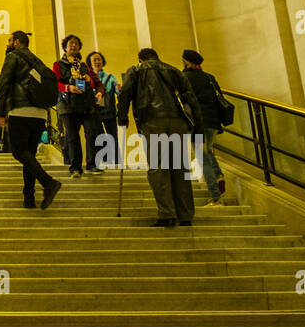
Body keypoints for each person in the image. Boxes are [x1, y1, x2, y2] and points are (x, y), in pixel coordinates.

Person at [117, 47, 203, 228]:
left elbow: (125, 94)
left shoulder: (136, 70)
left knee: (158, 168)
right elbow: (191, 98)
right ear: (157, 57)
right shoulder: (173, 70)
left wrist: (122, 117)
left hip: (152, 121)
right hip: (178, 122)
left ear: (140, 59)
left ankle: (167, 213)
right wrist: (198, 126)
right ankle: (185, 214)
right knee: (180, 168)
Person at [0, 31, 62, 210]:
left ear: (16, 42)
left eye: (9, 40)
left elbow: (4, 84)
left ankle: (48, 183)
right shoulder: (37, 60)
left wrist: (1, 112)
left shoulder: (13, 57)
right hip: (40, 113)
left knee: (19, 152)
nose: (7, 43)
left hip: (20, 110)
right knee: (29, 155)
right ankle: (29, 199)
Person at [181, 49, 227, 206]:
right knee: (207, 151)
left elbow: (183, 100)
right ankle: (219, 174)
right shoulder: (209, 77)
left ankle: (216, 197)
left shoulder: (185, 78)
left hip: (198, 123)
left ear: (186, 61)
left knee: (203, 158)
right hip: (213, 122)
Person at [54, 34, 103, 178]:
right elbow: (56, 83)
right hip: (67, 105)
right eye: (70, 44)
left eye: (76, 43)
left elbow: (96, 83)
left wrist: (93, 86)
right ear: (65, 47)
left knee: (91, 132)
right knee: (73, 137)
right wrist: (68, 88)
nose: (73, 46)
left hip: (85, 104)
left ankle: (91, 164)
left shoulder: (83, 65)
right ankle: (75, 167)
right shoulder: (58, 64)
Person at [86, 51, 120, 168]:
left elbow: (118, 93)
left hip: (109, 111)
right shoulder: (87, 78)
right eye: (94, 60)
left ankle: (115, 162)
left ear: (103, 61)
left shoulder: (111, 77)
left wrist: (120, 89)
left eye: (98, 59)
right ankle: (102, 160)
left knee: (112, 136)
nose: (96, 62)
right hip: (94, 112)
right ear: (89, 63)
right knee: (97, 137)